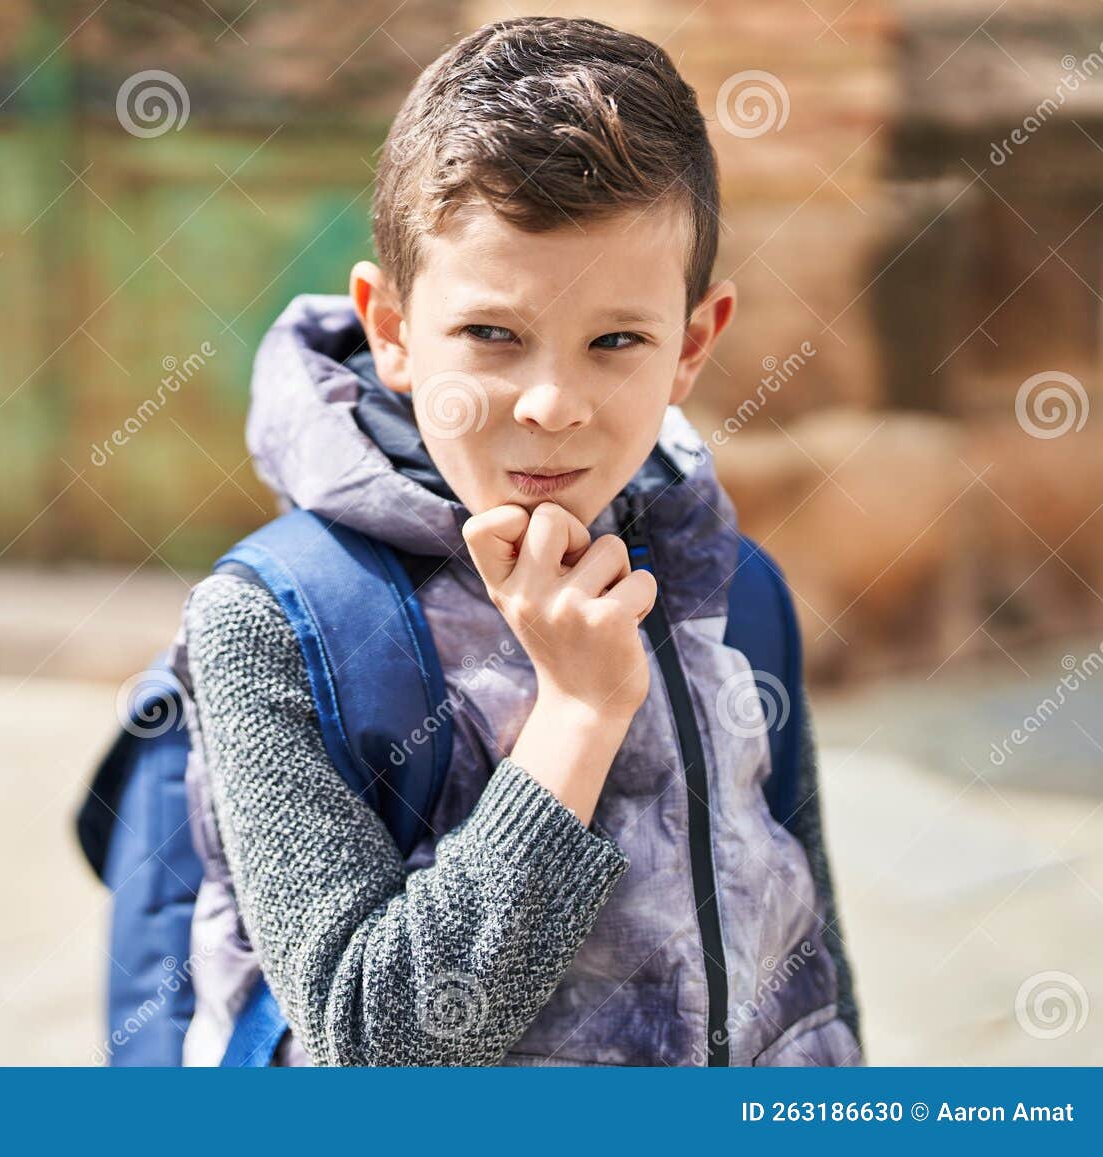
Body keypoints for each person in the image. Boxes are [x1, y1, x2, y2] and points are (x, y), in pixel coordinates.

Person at [173, 15, 863, 1066]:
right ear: (394, 328)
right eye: (493, 334)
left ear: (693, 343)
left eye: (615, 341)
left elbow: (809, 955)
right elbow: (373, 1049)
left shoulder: (734, 583)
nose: (550, 404)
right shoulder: (279, 624)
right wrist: (576, 717)